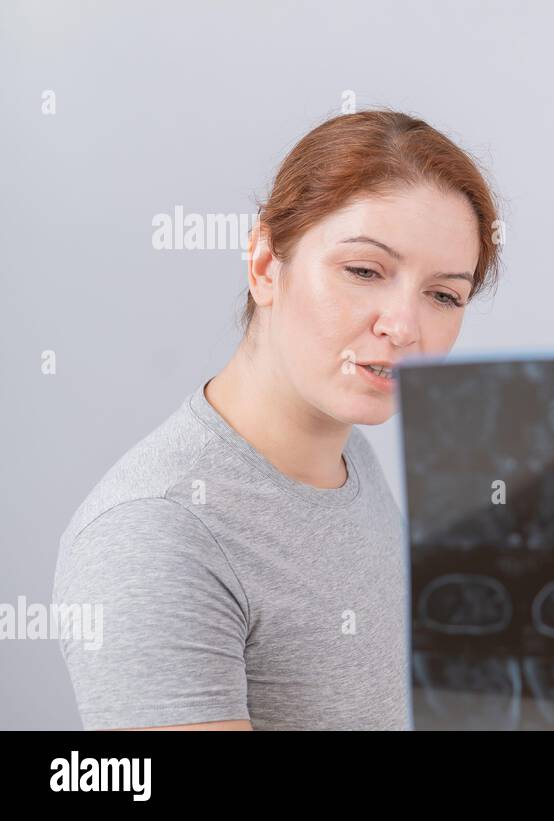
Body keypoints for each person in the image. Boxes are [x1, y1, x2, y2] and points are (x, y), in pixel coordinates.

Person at [53, 110, 501, 729]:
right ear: (266, 264)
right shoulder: (155, 534)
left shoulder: (344, 457)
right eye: (364, 271)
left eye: (444, 295)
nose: (404, 327)